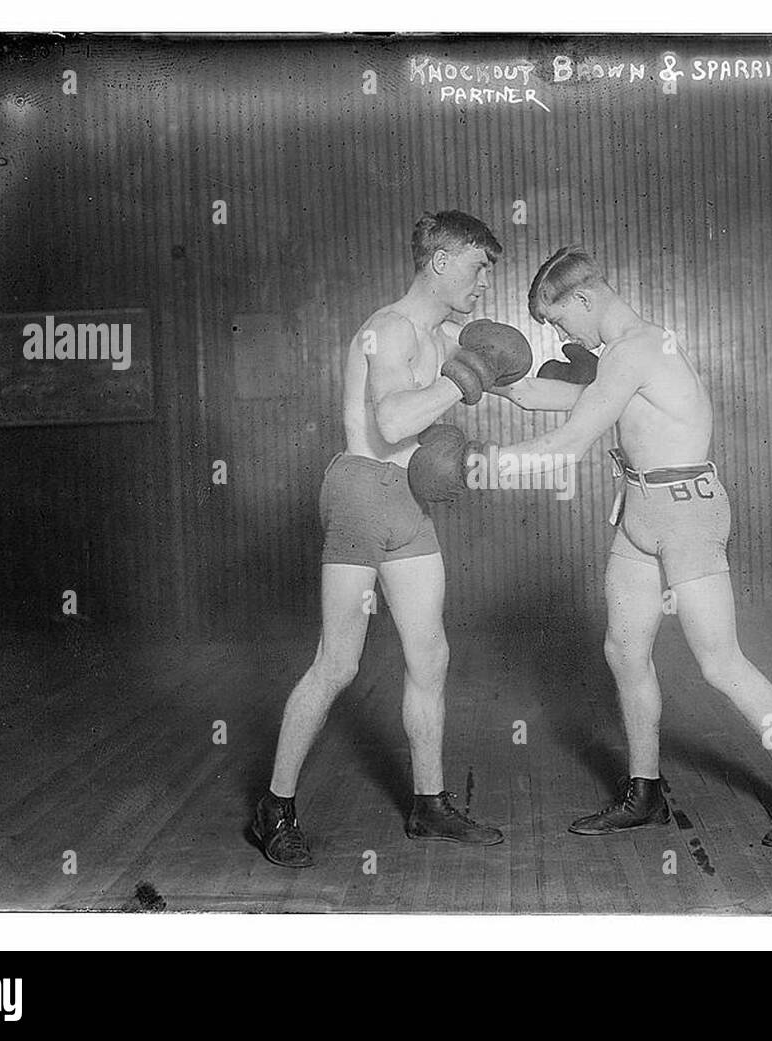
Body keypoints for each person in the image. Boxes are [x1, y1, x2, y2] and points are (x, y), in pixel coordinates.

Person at [408, 246, 772, 846]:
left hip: (687, 513)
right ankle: (646, 792)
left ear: (583, 299)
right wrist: (467, 359)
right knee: (625, 652)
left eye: (560, 321)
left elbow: (570, 442)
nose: (562, 334)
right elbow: (539, 396)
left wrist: (483, 464)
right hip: (638, 509)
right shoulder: (620, 359)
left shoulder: (641, 348)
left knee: (720, 661)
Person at [250, 211, 530, 867]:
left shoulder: (448, 335)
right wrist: (463, 378)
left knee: (430, 656)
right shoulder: (387, 330)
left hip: (410, 499)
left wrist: (591, 387)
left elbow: (520, 384)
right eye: (478, 265)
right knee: (338, 663)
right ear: (440, 261)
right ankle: (275, 807)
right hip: (360, 491)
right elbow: (395, 415)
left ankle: (429, 804)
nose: (486, 280)